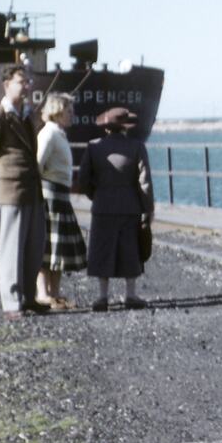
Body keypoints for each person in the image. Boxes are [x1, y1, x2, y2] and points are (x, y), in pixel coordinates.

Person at [0, 65, 48, 319]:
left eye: (28, 82)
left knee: (33, 247)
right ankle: (12, 303)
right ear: (7, 85)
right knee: (11, 249)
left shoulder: (27, 116)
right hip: (9, 191)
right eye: (21, 82)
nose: (26, 86)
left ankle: (28, 298)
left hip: (31, 191)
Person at [78, 106, 153, 310]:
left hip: (102, 206)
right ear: (125, 127)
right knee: (130, 249)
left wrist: (97, 195)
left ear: (106, 128)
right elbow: (144, 182)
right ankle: (131, 295)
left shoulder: (93, 147)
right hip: (130, 206)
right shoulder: (137, 147)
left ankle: (102, 297)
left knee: (102, 249)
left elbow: (83, 180)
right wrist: (148, 209)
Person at [36, 92, 86, 309]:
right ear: (57, 111)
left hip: (60, 196)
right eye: (68, 110)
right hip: (49, 195)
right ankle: (42, 293)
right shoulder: (48, 134)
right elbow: (37, 165)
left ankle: (54, 293)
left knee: (57, 249)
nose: (72, 114)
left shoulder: (59, 133)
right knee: (47, 246)